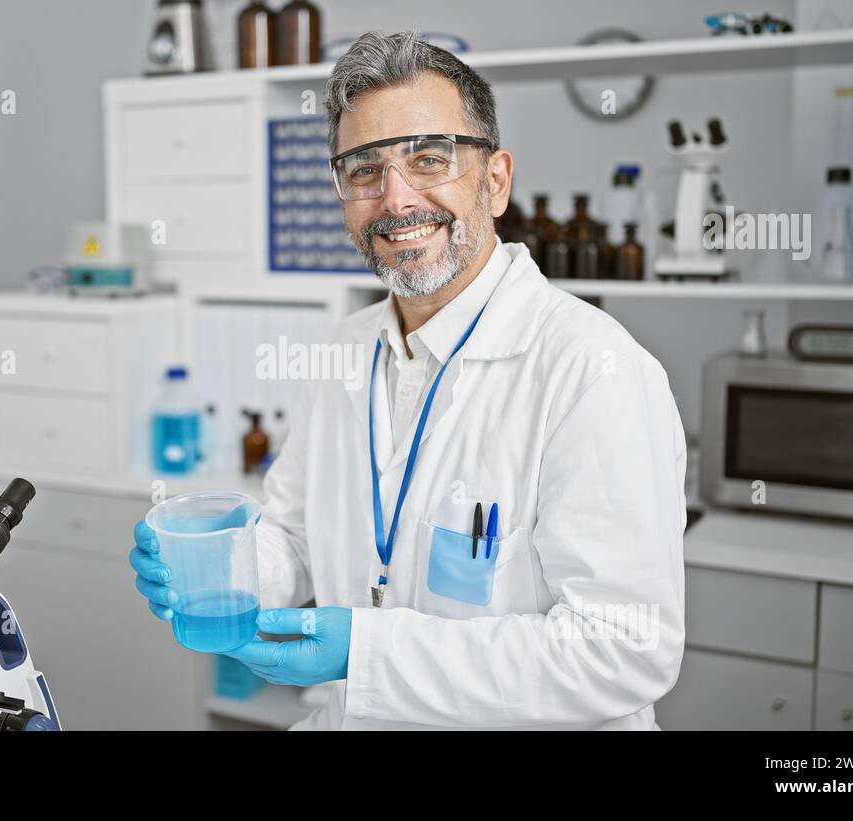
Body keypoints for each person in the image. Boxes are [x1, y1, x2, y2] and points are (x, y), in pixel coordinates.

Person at [130, 31, 687, 730]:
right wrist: (230, 566)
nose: (395, 198)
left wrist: (364, 651)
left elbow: (622, 650)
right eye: (364, 170)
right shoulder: (343, 351)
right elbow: (299, 536)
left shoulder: (593, 371)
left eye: (429, 158)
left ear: (496, 179)